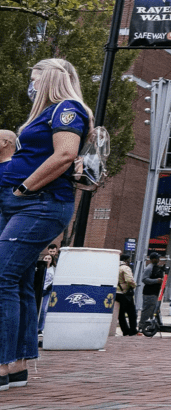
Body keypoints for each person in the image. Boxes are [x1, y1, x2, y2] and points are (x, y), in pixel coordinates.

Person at [0, 58, 92, 392]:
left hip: (37, 202)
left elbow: (65, 154)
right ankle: (17, 365)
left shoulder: (67, 109)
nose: (31, 85)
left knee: (2, 278)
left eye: (34, 78)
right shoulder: (45, 114)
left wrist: (25, 187)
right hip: (21, 202)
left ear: (50, 78)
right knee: (20, 281)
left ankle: (3, 363)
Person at [37, 243, 60, 334]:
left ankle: (41, 328)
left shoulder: (54, 267)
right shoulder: (40, 268)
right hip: (39, 290)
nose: (51, 254)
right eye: (50, 252)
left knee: (44, 310)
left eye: (53, 252)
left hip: (48, 291)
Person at [140, 252, 166, 331]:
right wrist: (156, 280)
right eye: (157, 258)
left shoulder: (156, 267)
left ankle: (155, 325)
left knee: (155, 309)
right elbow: (144, 279)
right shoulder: (149, 268)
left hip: (156, 292)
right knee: (148, 309)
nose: (158, 260)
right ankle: (142, 326)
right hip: (149, 293)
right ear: (153, 259)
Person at [115, 253, 139, 336]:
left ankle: (125, 330)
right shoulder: (125, 268)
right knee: (131, 313)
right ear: (126, 260)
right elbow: (129, 280)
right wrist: (134, 285)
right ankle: (133, 330)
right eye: (129, 260)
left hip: (116, 293)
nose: (130, 262)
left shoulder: (115, 267)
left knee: (121, 314)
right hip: (125, 293)